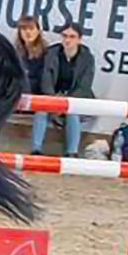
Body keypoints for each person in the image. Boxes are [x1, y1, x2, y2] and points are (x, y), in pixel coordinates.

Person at [36, 22, 96, 157]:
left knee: (72, 112)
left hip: (75, 98)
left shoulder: (87, 58)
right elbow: (46, 79)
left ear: (80, 39)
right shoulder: (52, 53)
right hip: (53, 96)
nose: (67, 40)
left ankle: (72, 152)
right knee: (41, 111)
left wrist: (67, 101)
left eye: (72, 37)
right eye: (64, 36)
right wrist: (53, 99)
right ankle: (36, 149)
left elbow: (85, 85)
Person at [13, 15, 47, 95]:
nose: (28, 32)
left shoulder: (46, 53)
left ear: (38, 31)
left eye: (31, 29)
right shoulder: (15, 53)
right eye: (24, 29)